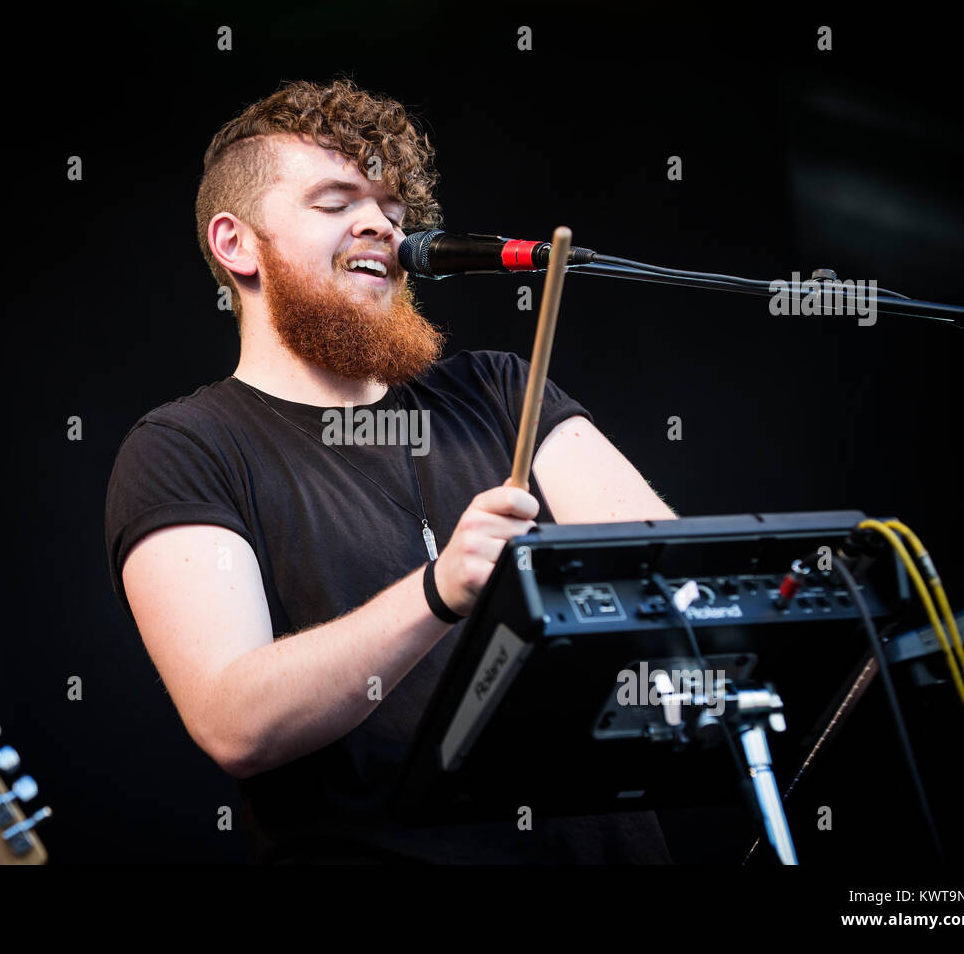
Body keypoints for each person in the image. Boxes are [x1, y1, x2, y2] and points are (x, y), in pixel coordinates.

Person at [105, 77, 678, 863]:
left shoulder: (499, 388)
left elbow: (674, 580)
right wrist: (436, 592)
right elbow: (235, 722)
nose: (379, 224)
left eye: (392, 208)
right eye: (335, 202)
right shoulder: (186, 448)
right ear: (236, 244)